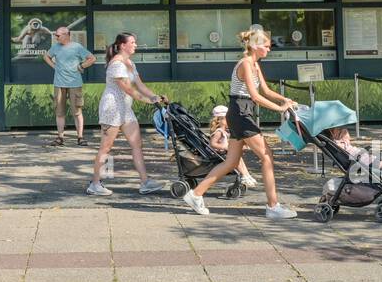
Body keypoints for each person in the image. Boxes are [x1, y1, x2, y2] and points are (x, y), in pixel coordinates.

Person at [183, 28, 297, 218]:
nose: (269, 50)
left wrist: (285, 101)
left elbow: (266, 91)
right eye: (266, 46)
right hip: (241, 112)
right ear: (254, 46)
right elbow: (254, 96)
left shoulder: (255, 64)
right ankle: (273, 206)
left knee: (231, 162)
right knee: (267, 156)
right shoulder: (245, 63)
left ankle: (195, 194)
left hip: (241, 112)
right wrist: (279, 109)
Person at [86, 33, 170, 196]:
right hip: (112, 108)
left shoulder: (130, 63)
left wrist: (155, 97)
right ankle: (95, 184)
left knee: (137, 144)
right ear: (123, 45)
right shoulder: (117, 64)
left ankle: (145, 182)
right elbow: (128, 89)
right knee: (106, 147)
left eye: (135, 42)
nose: (135, 45)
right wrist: (147, 101)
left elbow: (140, 85)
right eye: (132, 42)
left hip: (125, 109)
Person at [43, 26, 95, 145]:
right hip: (59, 84)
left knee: (77, 112)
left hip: (74, 84)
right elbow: (46, 56)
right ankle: (60, 138)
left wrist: (81, 66)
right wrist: (54, 66)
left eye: (58, 35)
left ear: (66, 35)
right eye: (55, 35)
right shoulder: (55, 47)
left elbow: (92, 58)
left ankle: (80, 137)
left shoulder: (77, 47)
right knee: (59, 112)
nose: (56, 38)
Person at [327, 126, 382, 193]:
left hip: (362, 159)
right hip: (360, 162)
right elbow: (352, 153)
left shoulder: (341, 145)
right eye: (344, 134)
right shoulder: (340, 145)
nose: (348, 136)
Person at [208, 105, 256, 187]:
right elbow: (212, 144)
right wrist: (224, 147)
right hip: (219, 153)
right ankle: (245, 175)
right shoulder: (218, 132)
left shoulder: (225, 131)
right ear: (219, 120)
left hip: (225, 152)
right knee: (236, 157)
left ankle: (246, 175)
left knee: (237, 157)